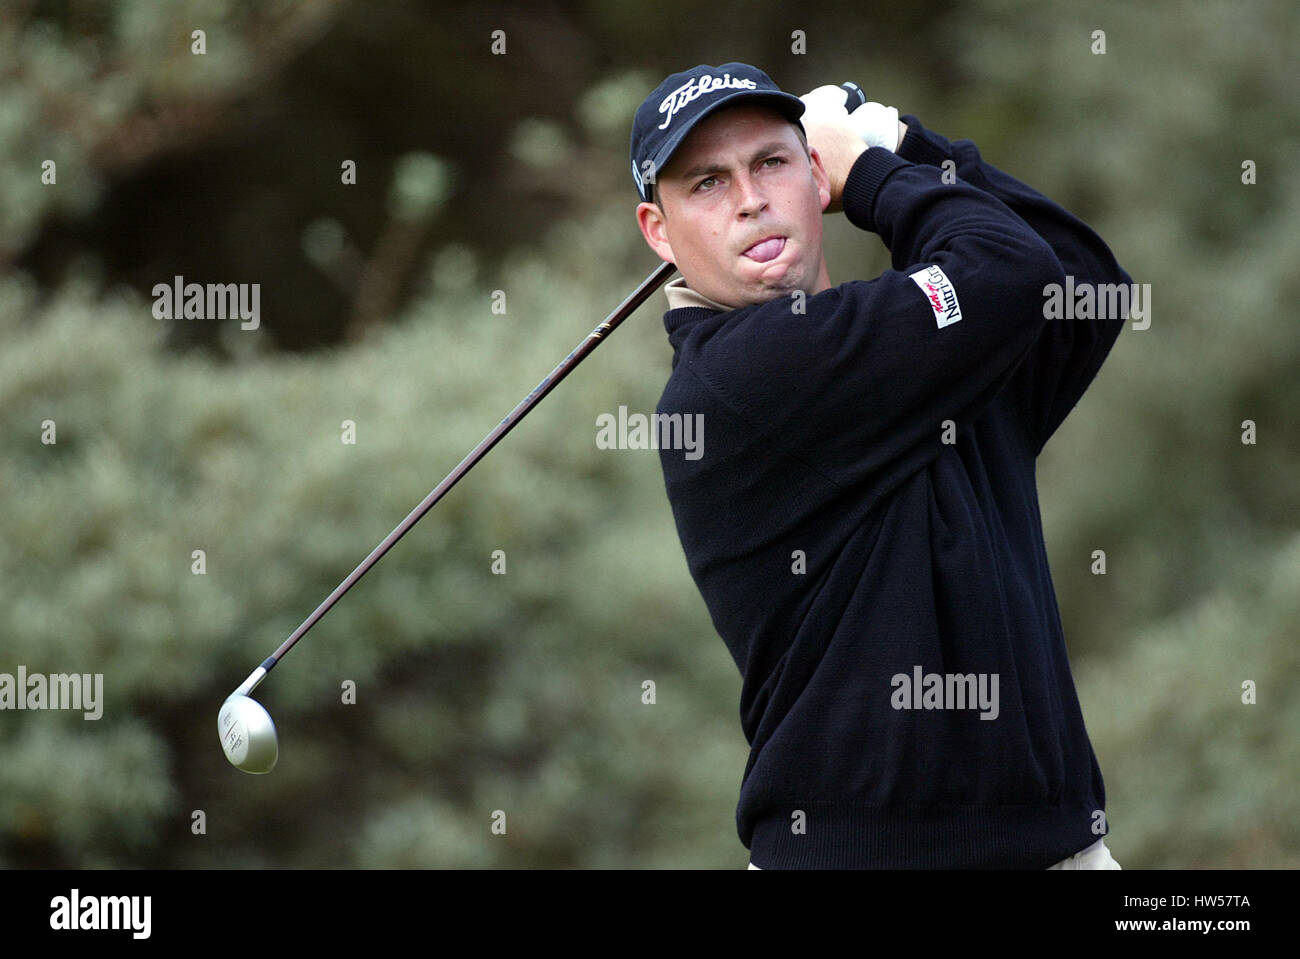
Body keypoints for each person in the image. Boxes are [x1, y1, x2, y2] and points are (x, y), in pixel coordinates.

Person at [629, 63, 1131, 869]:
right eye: (708, 183)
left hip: (1062, 848)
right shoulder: (736, 380)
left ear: (812, 174)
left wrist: (910, 146)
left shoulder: (918, 348)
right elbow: (1010, 272)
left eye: (771, 162)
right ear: (658, 231)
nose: (750, 199)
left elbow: (1082, 280)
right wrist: (875, 170)